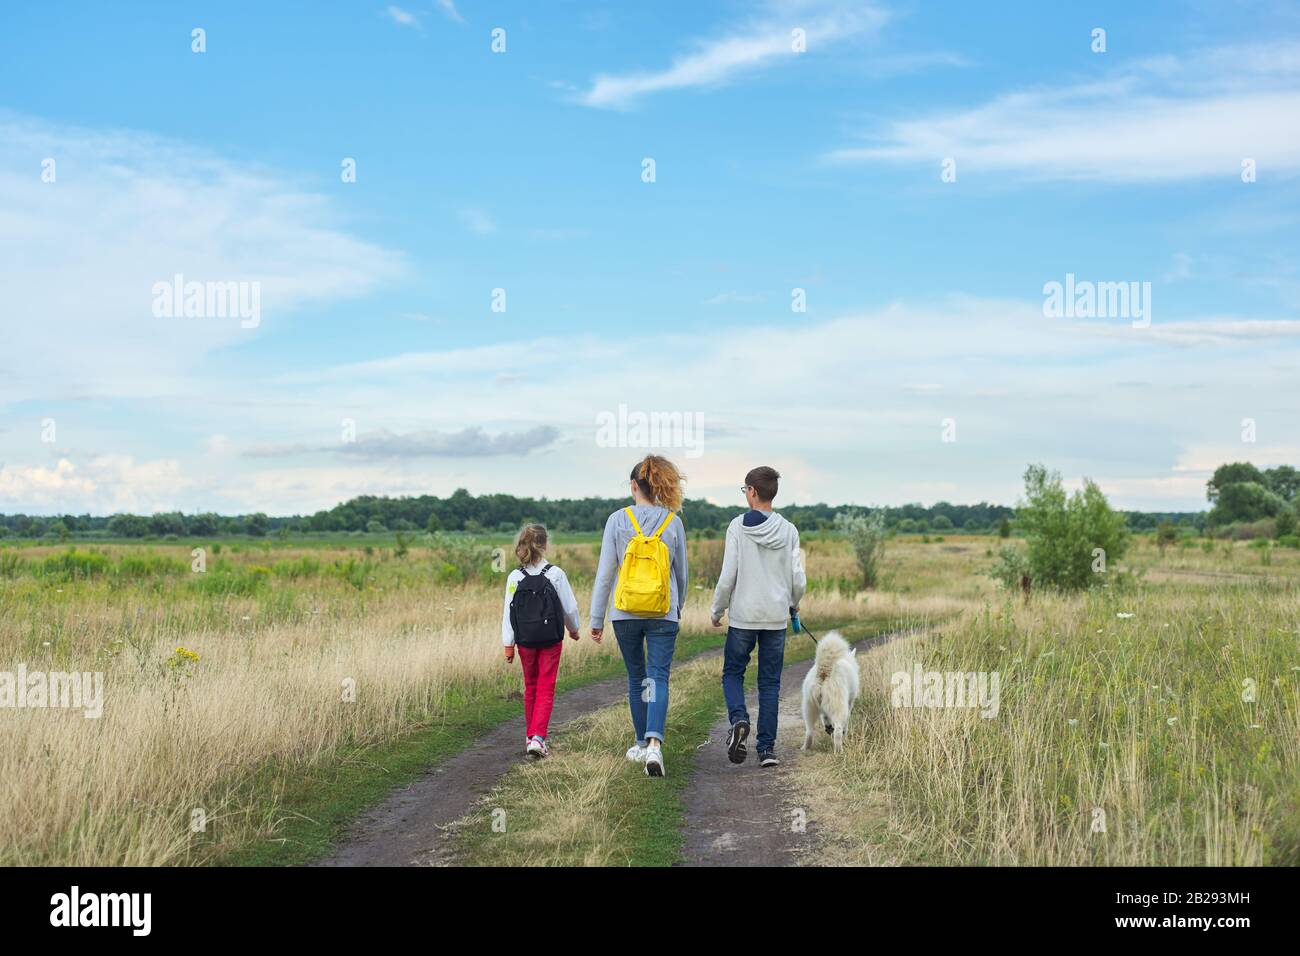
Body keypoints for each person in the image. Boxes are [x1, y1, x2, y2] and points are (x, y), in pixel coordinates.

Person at [589, 455, 688, 777]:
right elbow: (681, 574)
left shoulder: (617, 520)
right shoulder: (673, 522)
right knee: (658, 676)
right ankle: (655, 745)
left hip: (625, 612)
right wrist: (678, 606)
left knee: (636, 677)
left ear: (634, 486)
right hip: (663, 611)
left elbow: (605, 574)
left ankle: (640, 742)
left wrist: (596, 619)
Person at [710, 466, 806, 768]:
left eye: (744, 490)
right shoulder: (789, 530)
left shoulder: (737, 527)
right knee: (769, 682)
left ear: (752, 491)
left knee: (733, 673)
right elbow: (798, 577)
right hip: (776, 618)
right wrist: (794, 603)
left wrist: (717, 609)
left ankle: (739, 719)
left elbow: (728, 575)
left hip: (743, 617)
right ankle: (766, 750)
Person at [501, 523, 580, 759]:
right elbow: (569, 607)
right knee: (546, 687)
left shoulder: (515, 576)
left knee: (531, 687)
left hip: (525, 641)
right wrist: (574, 629)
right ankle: (538, 738)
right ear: (545, 546)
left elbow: (508, 612)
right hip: (551, 640)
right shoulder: (555, 574)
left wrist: (508, 644)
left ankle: (530, 735)